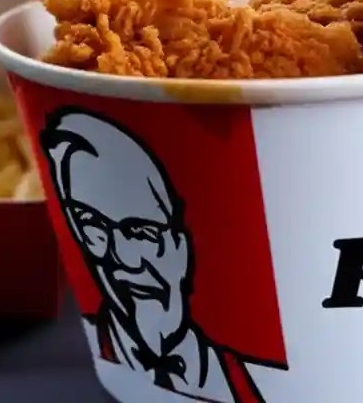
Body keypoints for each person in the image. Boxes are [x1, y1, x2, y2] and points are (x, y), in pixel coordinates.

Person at [41, 110, 264, 403]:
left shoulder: (261, 380)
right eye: (94, 228)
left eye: (141, 231)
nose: (125, 259)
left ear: (181, 248)